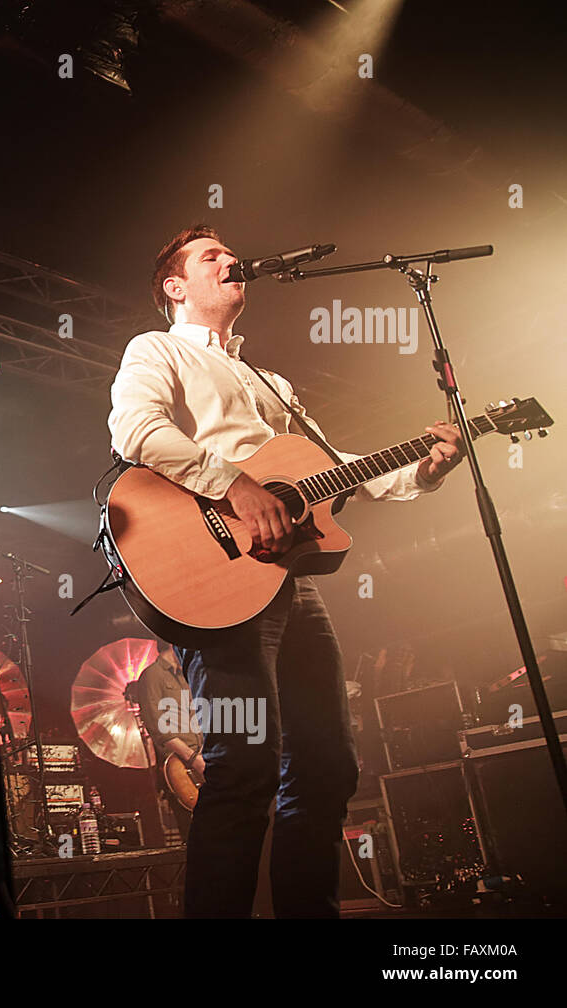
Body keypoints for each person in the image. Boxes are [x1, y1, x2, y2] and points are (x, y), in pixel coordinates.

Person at [108, 224, 466, 918]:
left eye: (227, 252)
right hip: (214, 572)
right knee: (243, 767)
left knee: (329, 767)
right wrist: (233, 485)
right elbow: (138, 432)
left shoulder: (272, 382)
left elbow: (330, 474)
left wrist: (422, 470)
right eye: (210, 255)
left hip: (288, 583)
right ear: (175, 286)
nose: (229, 260)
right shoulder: (156, 350)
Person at [133, 643, 202, 842]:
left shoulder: (186, 676)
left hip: (201, 760)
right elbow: (158, 727)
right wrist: (193, 759)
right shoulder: (152, 675)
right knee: (193, 833)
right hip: (179, 764)